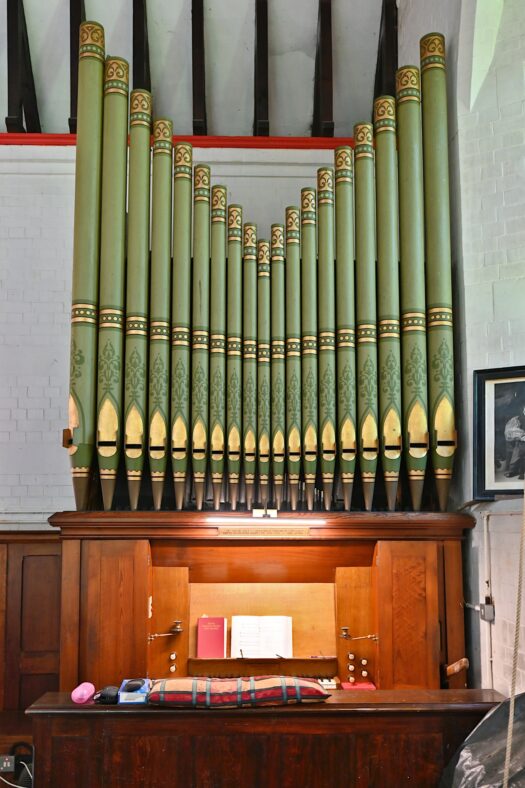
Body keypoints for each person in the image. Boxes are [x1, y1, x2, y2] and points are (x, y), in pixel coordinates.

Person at [504, 405, 525, 479]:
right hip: (521, 441)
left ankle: (521, 472)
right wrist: (521, 436)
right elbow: (510, 431)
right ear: (523, 410)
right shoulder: (516, 419)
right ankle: (514, 470)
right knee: (519, 448)